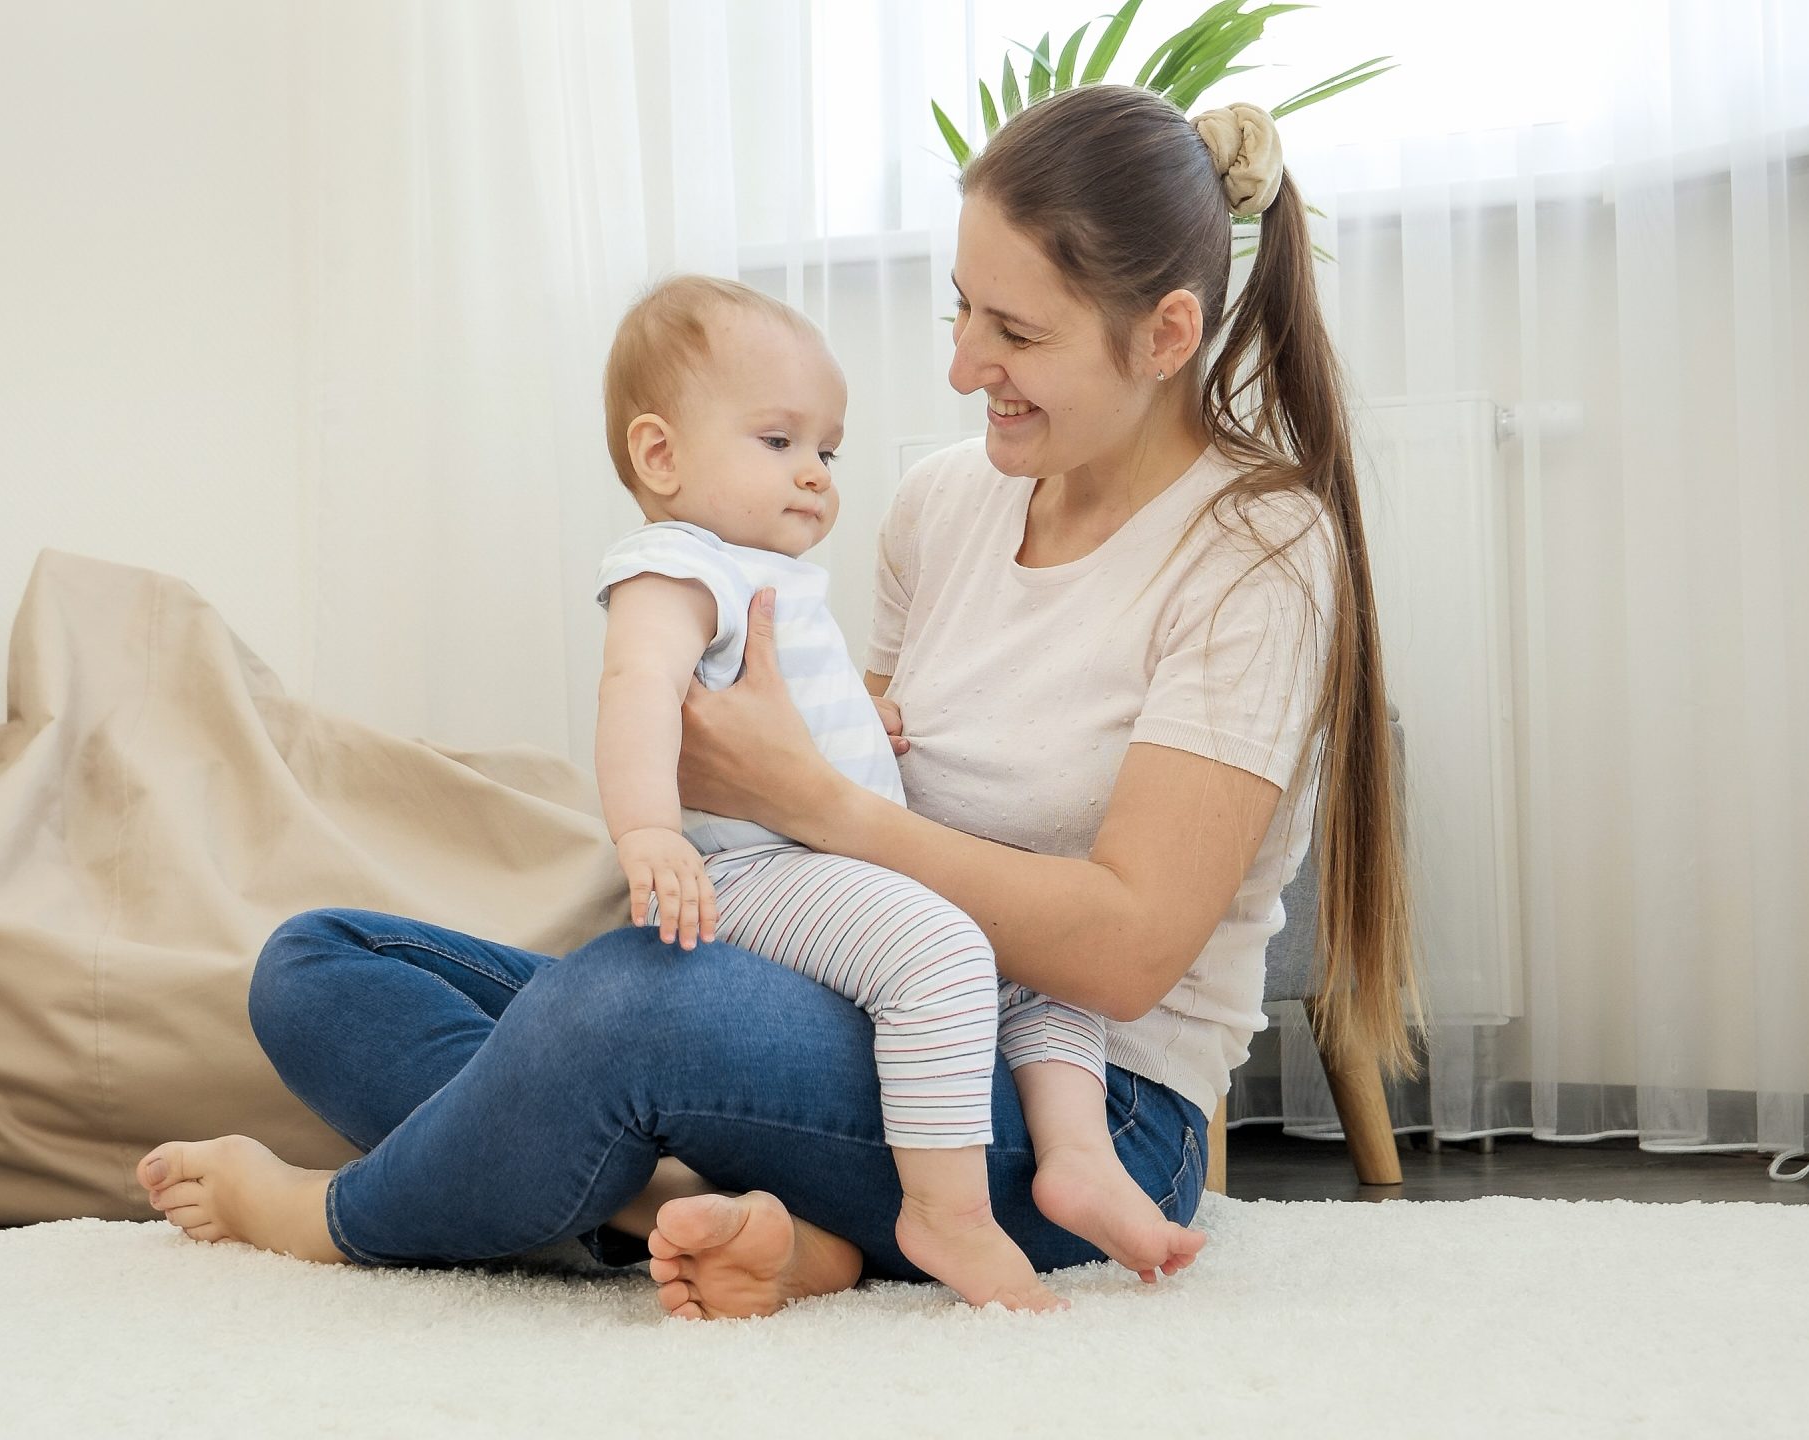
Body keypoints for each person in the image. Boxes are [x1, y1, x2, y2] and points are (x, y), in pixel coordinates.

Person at [133, 83, 1416, 1322]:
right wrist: (768, 767)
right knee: (321, 965)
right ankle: (698, 1208)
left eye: (1016, 334)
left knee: (625, 1006)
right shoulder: (943, 502)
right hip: (855, 1004)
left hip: (1080, 1103)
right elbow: (849, 748)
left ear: (1166, 336)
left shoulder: (1257, 551)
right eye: (960, 311)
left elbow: (1129, 955)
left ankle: (335, 1218)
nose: (969, 368)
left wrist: (807, 794)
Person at [586, 273, 1203, 1312]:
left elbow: (794, 730)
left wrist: (862, 725)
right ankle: (947, 1214)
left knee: (1043, 965)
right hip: (753, 873)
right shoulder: (673, 568)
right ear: (660, 454)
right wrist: (648, 831)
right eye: (778, 442)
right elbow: (635, 688)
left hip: (828, 861)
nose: (816, 475)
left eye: (826, 450)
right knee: (943, 950)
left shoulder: (765, 573)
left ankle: (1079, 1156)